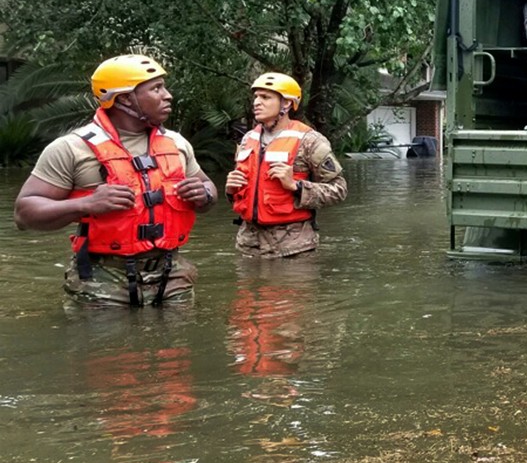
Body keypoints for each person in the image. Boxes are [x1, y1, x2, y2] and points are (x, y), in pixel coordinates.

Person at [13, 54, 217, 306]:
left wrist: (204, 194)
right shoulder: (71, 148)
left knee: (175, 345)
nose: (167, 95)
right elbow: (24, 214)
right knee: (106, 346)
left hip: (172, 276)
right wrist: (85, 205)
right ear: (124, 99)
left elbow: (209, 190)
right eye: (156, 88)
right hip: (101, 279)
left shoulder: (177, 143)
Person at [225, 72, 347, 257]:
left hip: (293, 248)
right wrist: (230, 190)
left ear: (287, 103)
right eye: (256, 97)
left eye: (265, 97)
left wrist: (296, 186)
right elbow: (243, 194)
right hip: (248, 245)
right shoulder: (247, 140)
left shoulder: (310, 141)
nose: (257, 102)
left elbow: (339, 190)